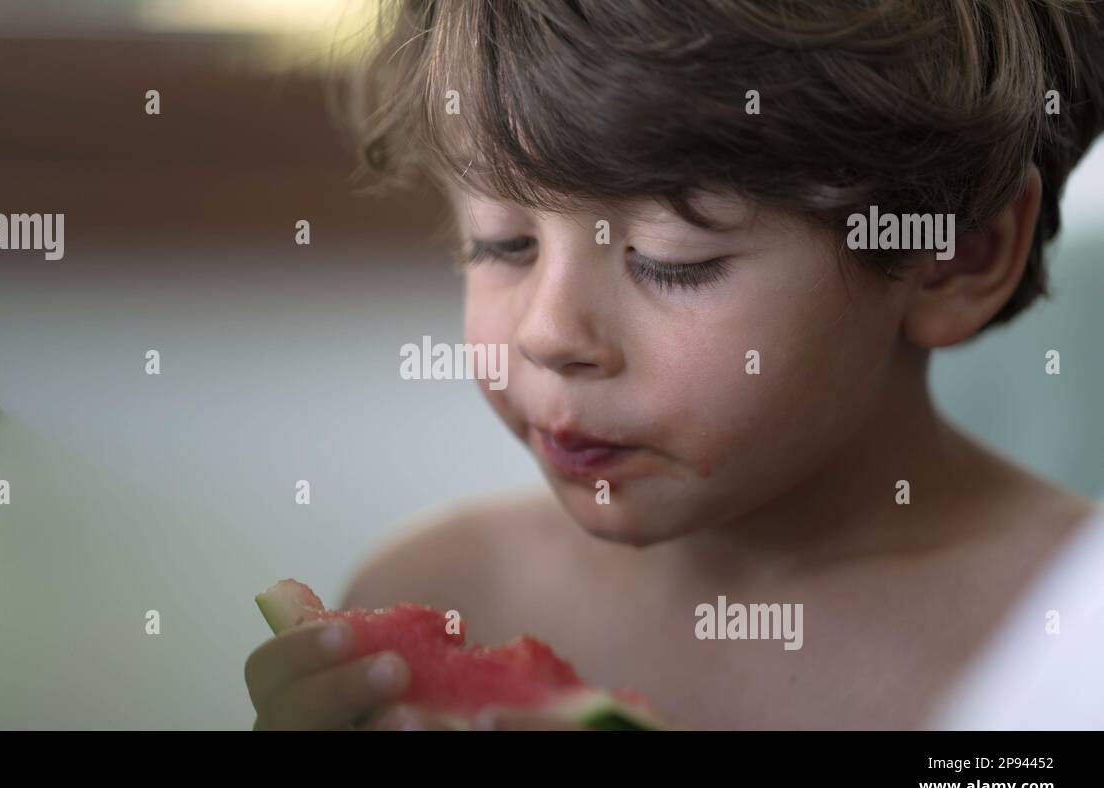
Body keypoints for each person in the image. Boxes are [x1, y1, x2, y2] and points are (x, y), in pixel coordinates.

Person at [246, 0, 1104, 730]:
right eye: (501, 244)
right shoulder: (447, 584)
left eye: (670, 261)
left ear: (953, 256)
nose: (548, 333)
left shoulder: (1075, 632)